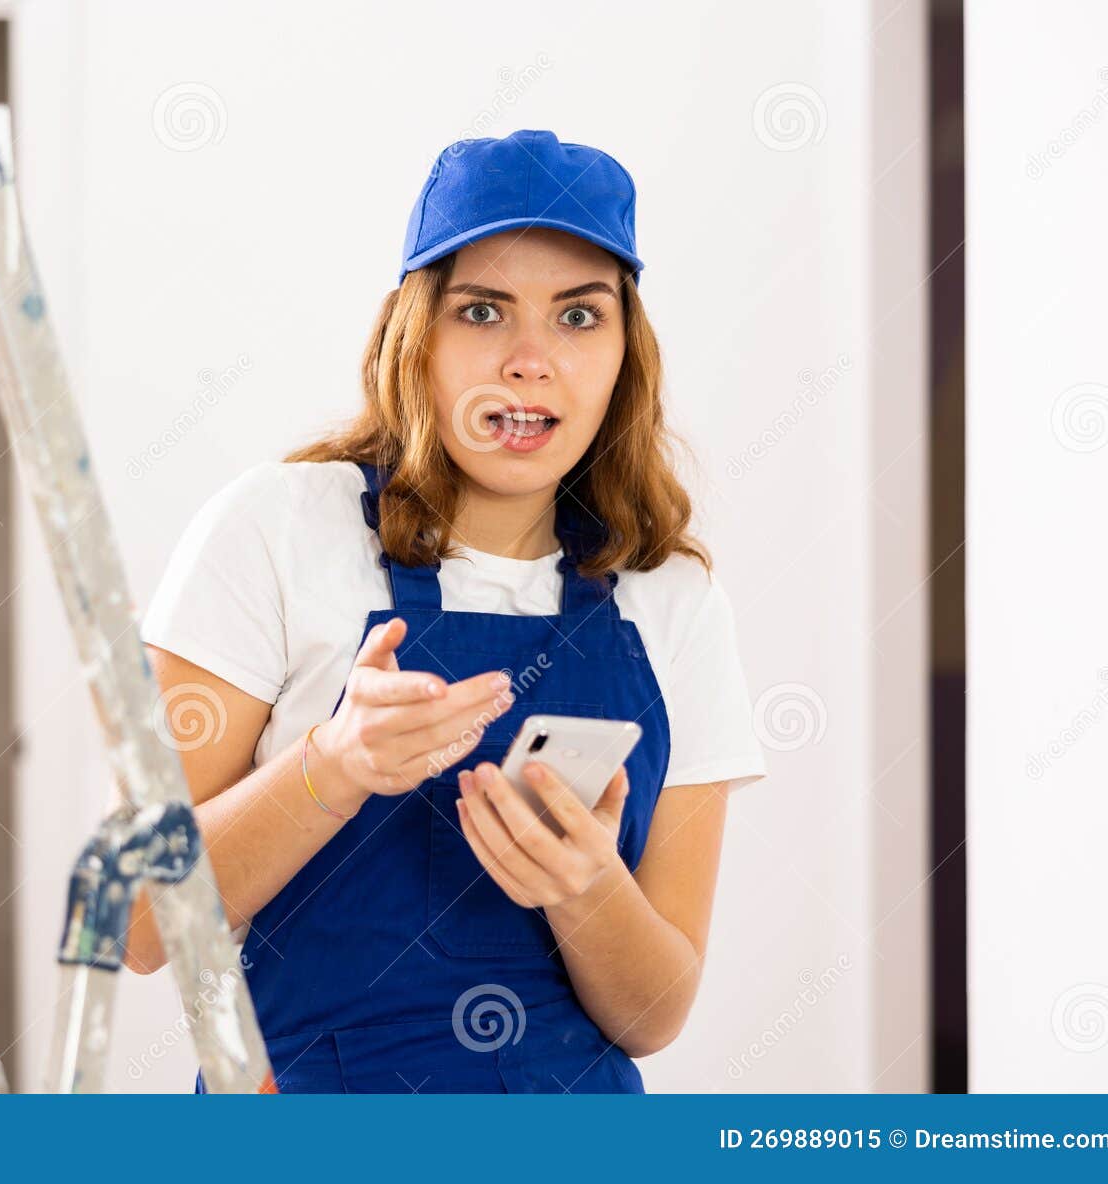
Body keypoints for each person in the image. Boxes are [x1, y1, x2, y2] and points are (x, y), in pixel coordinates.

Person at [125, 129, 767, 1093]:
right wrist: (329, 771)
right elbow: (135, 920)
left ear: (625, 352)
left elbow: (655, 1014)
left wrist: (584, 888)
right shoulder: (277, 529)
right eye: (483, 310)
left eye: (579, 317)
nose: (530, 360)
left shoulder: (669, 597)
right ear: (414, 336)